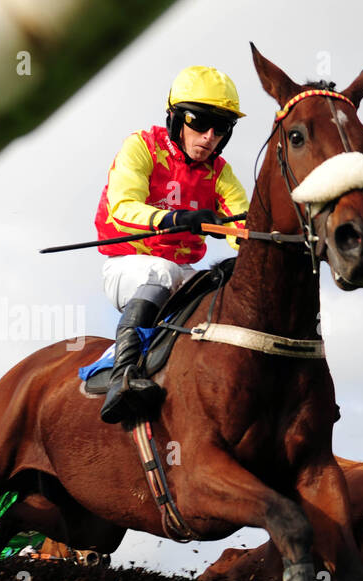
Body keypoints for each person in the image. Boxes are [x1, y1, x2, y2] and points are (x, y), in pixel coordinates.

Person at [93, 65, 251, 423]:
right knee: (163, 272)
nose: (209, 136)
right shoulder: (141, 147)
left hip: (183, 274)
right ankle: (124, 377)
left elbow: (243, 227)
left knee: (223, 292)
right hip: (127, 264)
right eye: (199, 121)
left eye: (221, 127)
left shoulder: (221, 173)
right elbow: (121, 208)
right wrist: (175, 218)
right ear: (175, 118)